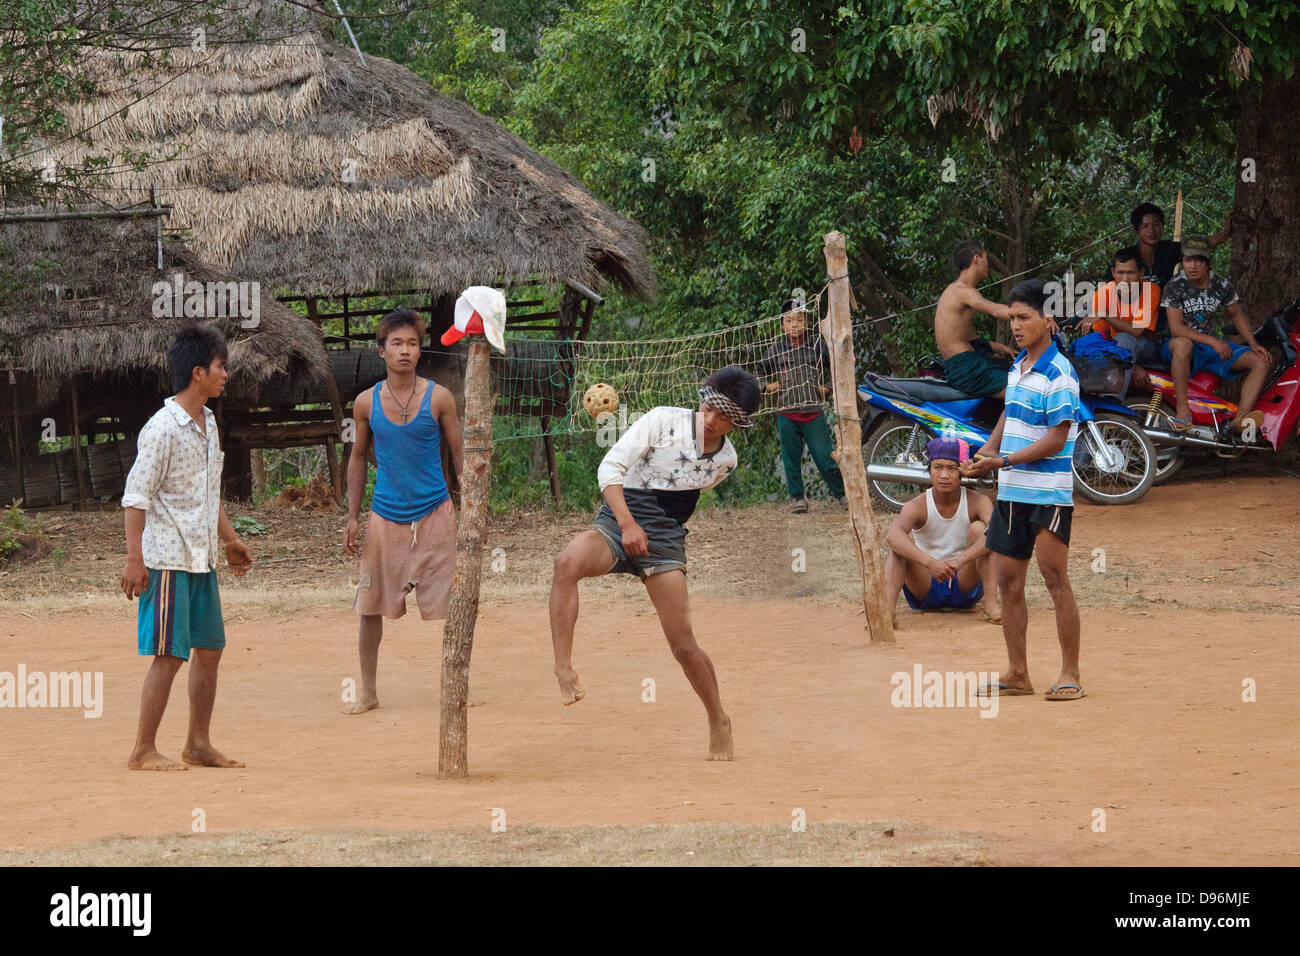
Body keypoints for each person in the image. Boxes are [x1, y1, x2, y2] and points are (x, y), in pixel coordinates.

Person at [548, 366, 761, 761]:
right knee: (566, 563)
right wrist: (627, 524)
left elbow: (687, 496)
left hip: (664, 536)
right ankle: (563, 668)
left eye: (725, 416)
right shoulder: (662, 420)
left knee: (682, 643)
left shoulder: (726, 460)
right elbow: (609, 469)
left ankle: (718, 719)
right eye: (709, 408)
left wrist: (654, 531)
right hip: (618, 518)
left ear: (739, 422)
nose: (712, 420)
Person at [120, 324, 253, 770]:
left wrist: (230, 539)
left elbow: (208, 493)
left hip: (201, 559)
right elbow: (135, 496)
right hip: (165, 560)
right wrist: (135, 560)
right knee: (169, 654)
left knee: (209, 650)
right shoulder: (161, 429)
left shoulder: (208, 423)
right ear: (198, 372)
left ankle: (197, 743)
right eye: (220, 366)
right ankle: (142, 750)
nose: (225, 375)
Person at [959, 279, 1085, 701]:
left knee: (1055, 579)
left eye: (1023, 317)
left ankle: (1070, 673)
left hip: (1048, 493)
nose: (1014, 325)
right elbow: (1010, 415)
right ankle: (1018, 673)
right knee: (1009, 582)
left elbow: (1056, 438)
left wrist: (1004, 461)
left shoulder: (1061, 373)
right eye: (1011, 317)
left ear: (1046, 321)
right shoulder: (1017, 367)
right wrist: (988, 450)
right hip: (1012, 491)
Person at [342, 308, 463, 715]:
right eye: (397, 343)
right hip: (384, 517)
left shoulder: (439, 398)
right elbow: (358, 458)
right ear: (382, 351)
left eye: (412, 343)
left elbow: (462, 454)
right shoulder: (365, 404)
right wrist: (352, 516)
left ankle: (456, 685)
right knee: (369, 606)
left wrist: (475, 510)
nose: (405, 351)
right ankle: (368, 691)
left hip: (436, 513)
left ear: (419, 350)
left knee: (455, 604)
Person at [884, 437, 1000, 627]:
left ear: (963, 471)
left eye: (951, 468)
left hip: (964, 582)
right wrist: (930, 564)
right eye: (938, 467)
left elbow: (996, 533)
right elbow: (892, 536)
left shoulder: (978, 502)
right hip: (925, 585)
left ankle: (991, 604)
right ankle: (887, 613)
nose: (944, 475)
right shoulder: (916, 506)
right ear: (929, 470)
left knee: (982, 530)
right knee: (898, 546)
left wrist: (959, 561)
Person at [1160, 238, 1271, 433]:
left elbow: (1236, 314)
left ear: (1207, 262)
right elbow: (1176, 328)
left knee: (1260, 360)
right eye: (1187, 260)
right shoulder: (1175, 285)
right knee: (1183, 343)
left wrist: (1254, 343)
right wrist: (1213, 341)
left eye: (1198, 261)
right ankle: (1183, 410)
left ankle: (1239, 421)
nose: (1192, 266)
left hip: (1209, 348)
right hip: (1178, 345)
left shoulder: (1220, 284)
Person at [754, 299, 845, 513]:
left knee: (825, 457)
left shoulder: (818, 346)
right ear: (781, 325)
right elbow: (758, 372)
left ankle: (842, 495)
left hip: (813, 412)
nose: (794, 324)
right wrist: (768, 386)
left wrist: (828, 388)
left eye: (799, 319)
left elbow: (837, 368)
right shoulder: (776, 350)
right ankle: (797, 498)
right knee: (791, 458)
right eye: (788, 321)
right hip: (787, 413)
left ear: (807, 322)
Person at [936, 240, 1016, 397]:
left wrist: (999, 347)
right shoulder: (963, 291)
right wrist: (1033, 315)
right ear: (976, 259)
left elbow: (964, 336)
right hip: (967, 369)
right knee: (1022, 389)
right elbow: (995, 310)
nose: (988, 264)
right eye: (986, 257)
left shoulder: (953, 290)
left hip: (964, 365)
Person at [1086, 248, 1164, 394]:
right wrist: (1132, 366)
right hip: (1118, 347)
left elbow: (1137, 330)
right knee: (1094, 345)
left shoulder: (1151, 290)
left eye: (1131, 272)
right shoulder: (1102, 294)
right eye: (1120, 273)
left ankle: (1113, 402)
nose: (1125, 279)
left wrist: (1105, 315)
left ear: (1141, 273)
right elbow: (1102, 337)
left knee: (1123, 338)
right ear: (1113, 272)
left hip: (1146, 346)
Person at [1104, 202, 1230, 289]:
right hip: (1133, 319)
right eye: (1145, 226)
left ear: (1162, 226)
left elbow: (1200, 244)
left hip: (1164, 319)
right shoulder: (1126, 256)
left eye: (1156, 225)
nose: (1152, 230)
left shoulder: (1169, 249)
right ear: (1137, 231)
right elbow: (1106, 286)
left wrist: (1224, 234)